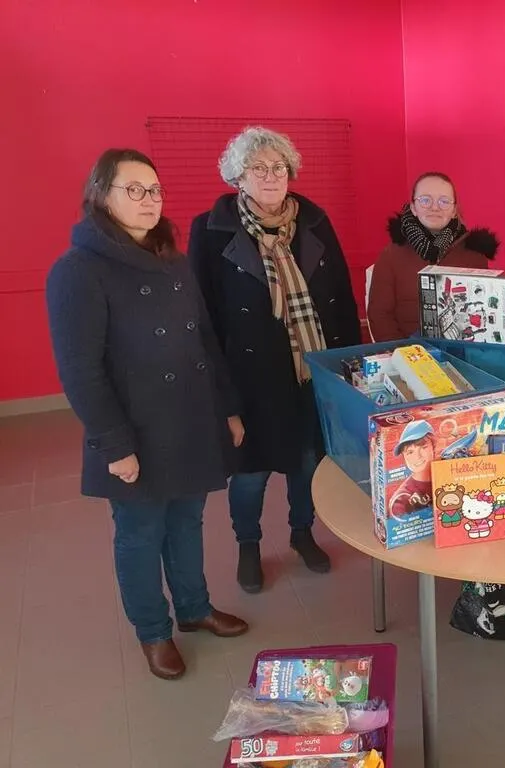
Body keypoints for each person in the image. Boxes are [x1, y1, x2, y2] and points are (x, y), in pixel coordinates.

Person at [46, 149, 248, 680]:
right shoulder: (77, 271)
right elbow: (81, 372)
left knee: (187, 520)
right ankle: (152, 632)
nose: (148, 200)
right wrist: (115, 446)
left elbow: (204, 340)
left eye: (154, 190)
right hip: (135, 430)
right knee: (139, 533)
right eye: (133, 189)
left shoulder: (173, 260)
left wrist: (227, 407)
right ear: (101, 196)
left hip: (190, 419)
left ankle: (195, 608)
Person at [189, 126, 362, 593]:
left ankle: (302, 533)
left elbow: (341, 298)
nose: (270, 176)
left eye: (278, 168)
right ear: (237, 177)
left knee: (306, 461)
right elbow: (202, 319)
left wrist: (350, 371)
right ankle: (248, 544)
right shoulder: (208, 231)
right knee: (251, 472)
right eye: (258, 168)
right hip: (250, 378)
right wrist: (223, 397)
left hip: (312, 371)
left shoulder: (314, 222)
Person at [368, 172, 499, 341]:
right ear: (413, 207)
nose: (434, 207)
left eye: (444, 201)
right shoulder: (391, 255)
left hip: (462, 356)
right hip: (406, 355)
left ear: (454, 210)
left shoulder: (475, 256)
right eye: (425, 200)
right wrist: (403, 355)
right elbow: (380, 315)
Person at [388, 421, 436, 518]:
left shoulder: (447, 476)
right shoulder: (401, 500)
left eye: (423, 447)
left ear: (433, 448)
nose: (417, 457)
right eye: (410, 452)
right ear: (404, 456)